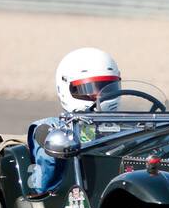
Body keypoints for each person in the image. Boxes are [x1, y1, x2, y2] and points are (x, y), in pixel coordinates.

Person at [27, 47, 120, 195]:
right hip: (68, 198)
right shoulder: (51, 128)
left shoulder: (129, 125)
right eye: (88, 88)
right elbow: (44, 184)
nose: (98, 96)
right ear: (65, 88)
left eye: (107, 88)